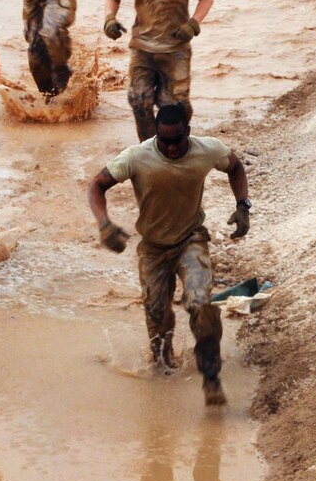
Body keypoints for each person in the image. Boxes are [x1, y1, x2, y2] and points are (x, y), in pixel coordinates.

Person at [86, 104, 249, 404]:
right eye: (165, 141)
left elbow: (235, 167)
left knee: (200, 302)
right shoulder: (137, 156)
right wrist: (104, 224)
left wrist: (243, 207)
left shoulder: (207, 150)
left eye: (177, 141)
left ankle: (211, 374)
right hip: (153, 248)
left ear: (188, 131)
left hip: (191, 239)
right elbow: (97, 185)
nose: (172, 148)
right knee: (157, 314)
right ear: (156, 135)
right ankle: (162, 374)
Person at [104, 0, 214, 141]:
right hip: (142, 48)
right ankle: (149, 151)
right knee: (138, 100)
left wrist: (192, 25)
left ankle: (180, 145)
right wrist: (110, 19)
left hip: (176, 50)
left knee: (175, 107)